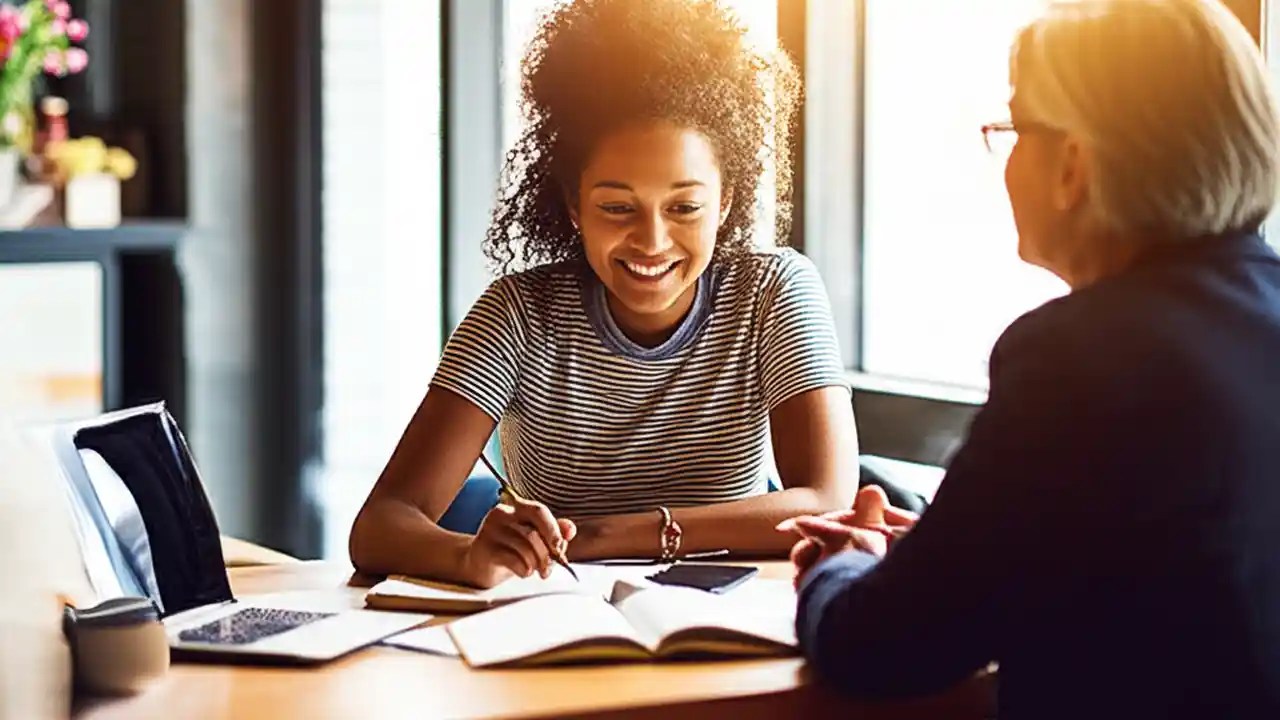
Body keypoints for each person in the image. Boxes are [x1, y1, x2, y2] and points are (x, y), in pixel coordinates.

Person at [782, 1, 1280, 717]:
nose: (1006, 158)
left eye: (1014, 129)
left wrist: (838, 568)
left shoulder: (1080, 358)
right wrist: (947, 547)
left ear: (1073, 164)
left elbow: (883, 646)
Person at [350, 0, 857, 589]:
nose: (652, 240)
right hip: (558, 622)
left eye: (685, 207)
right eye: (617, 207)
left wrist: (603, 535)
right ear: (573, 206)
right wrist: (469, 556)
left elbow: (824, 502)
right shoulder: (518, 314)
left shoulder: (771, 291)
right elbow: (380, 526)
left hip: (726, 619)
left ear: (725, 201)